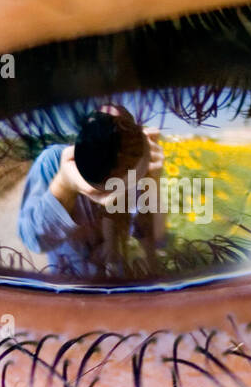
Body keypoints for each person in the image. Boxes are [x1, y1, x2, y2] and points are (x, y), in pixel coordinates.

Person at [18, 104, 166, 279]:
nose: (109, 144)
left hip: (117, 283)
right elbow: (33, 240)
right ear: (85, 132)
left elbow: (154, 238)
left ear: (135, 140)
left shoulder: (134, 168)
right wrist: (64, 185)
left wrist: (152, 181)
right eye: (100, 129)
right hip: (70, 283)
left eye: (121, 135)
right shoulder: (54, 162)